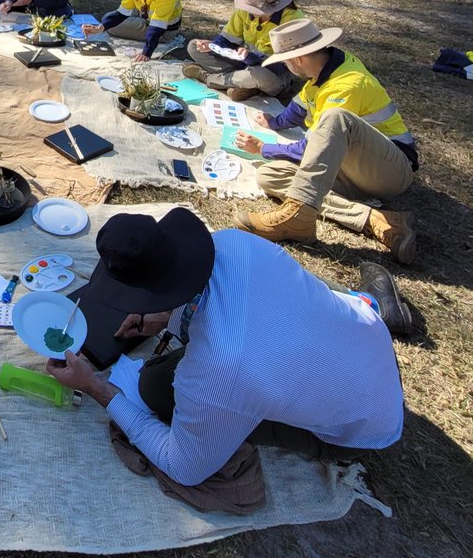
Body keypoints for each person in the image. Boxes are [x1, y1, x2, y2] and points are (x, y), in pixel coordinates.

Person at [46, 210, 407, 489]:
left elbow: (183, 467)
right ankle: (377, 303)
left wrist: (95, 386)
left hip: (364, 427)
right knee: (170, 382)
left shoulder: (220, 370)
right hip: (369, 341)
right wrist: (164, 320)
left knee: (154, 390)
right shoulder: (236, 243)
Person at [232, 18, 417, 262]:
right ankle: (375, 220)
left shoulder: (347, 84)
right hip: (351, 167)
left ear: (297, 59)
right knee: (269, 175)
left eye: (285, 61)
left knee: (335, 117)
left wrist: (265, 147)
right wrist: (274, 122)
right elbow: (300, 106)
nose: (286, 66)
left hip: (389, 170)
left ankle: (298, 216)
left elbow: (314, 146)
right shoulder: (322, 68)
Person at [183, 0, 305, 102]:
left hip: (275, 74)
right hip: (244, 64)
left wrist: (250, 58)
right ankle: (243, 85)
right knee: (193, 46)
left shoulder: (293, 22)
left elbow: (282, 67)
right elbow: (227, 40)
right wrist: (212, 45)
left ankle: (207, 77)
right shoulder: (244, 10)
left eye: (253, 8)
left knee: (258, 75)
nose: (249, 11)